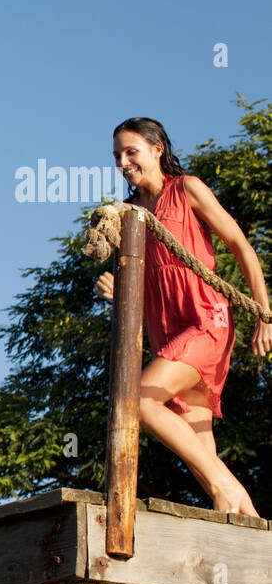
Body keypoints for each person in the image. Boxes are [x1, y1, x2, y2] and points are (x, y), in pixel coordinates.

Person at [96, 117, 270, 516]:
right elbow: (136, 284)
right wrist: (113, 289)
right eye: (117, 156)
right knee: (201, 450)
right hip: (166, 334)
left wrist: (265, 315)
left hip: (206, 322)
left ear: (157, 149)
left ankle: (227, 486)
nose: (123, 162)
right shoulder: (130, 213)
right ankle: (252, 536)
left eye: (131, 152)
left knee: (137, 401)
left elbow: (240, 246)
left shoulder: (187, 189)